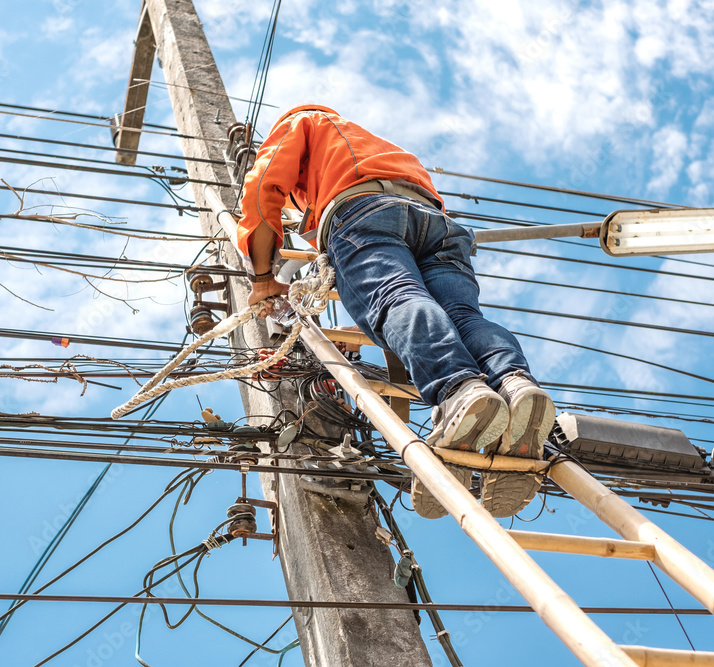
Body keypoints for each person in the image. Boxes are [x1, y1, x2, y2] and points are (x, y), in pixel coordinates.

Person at [237, 104, 555, 519]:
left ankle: (459, 391)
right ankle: (514, 384)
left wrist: (263, 276)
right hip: (436, 222)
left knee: (395, 297)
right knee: (463, 315)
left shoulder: (305, 123)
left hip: (363, 213)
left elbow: (262, 185)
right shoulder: (381, 148)